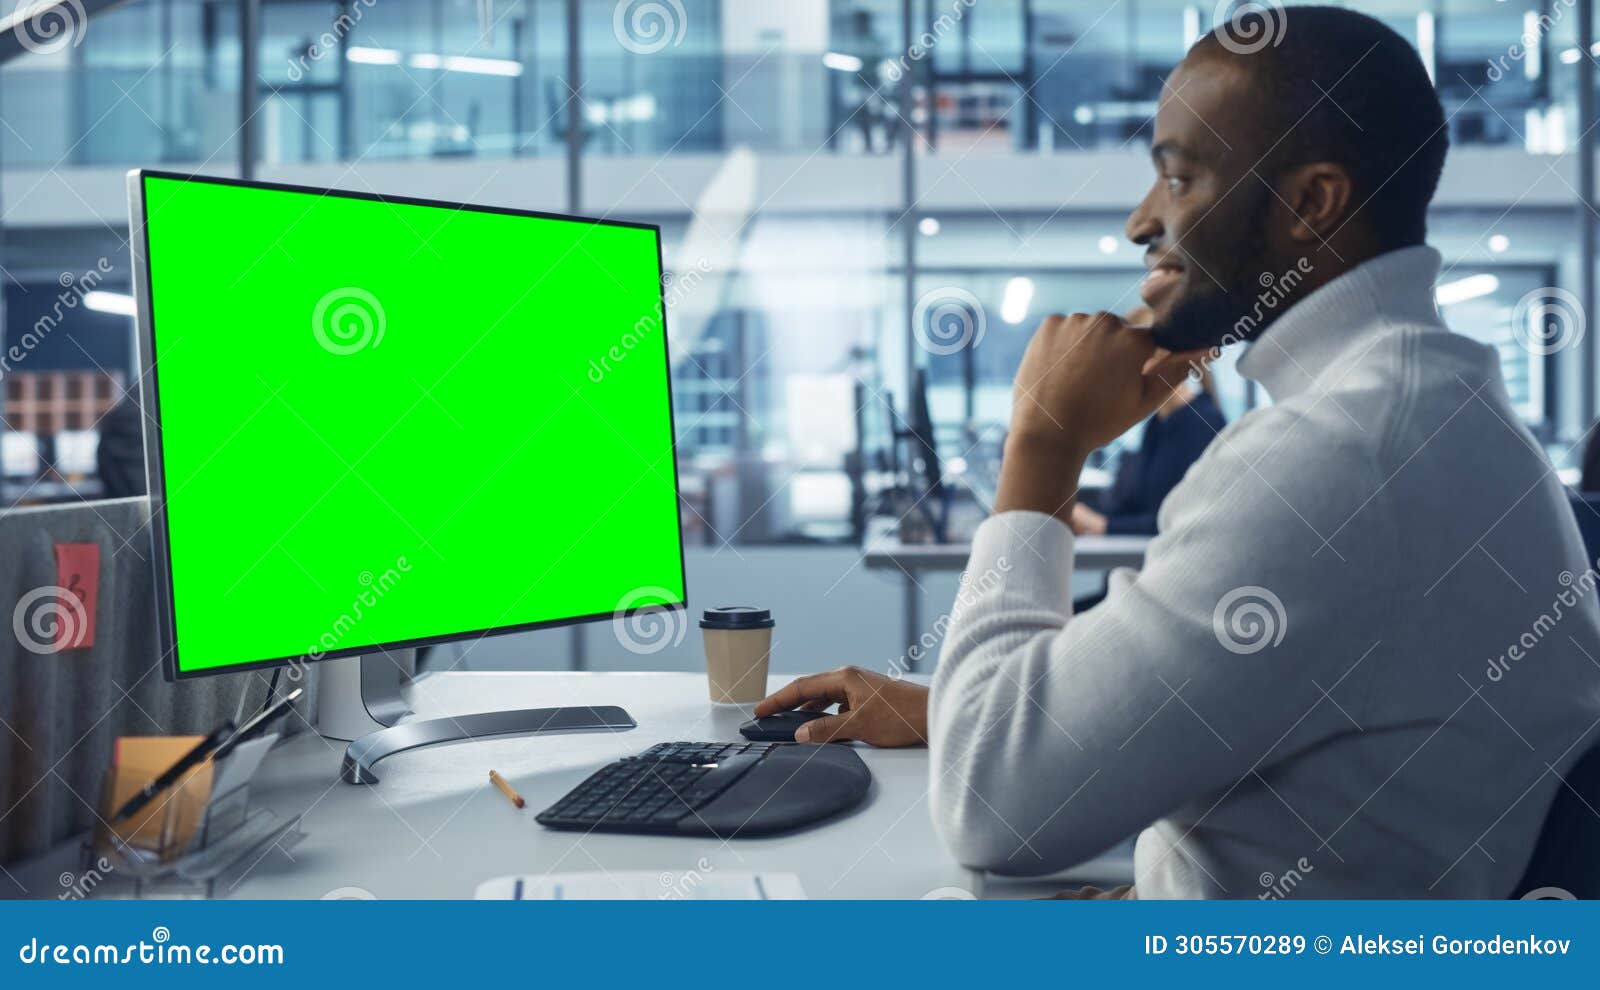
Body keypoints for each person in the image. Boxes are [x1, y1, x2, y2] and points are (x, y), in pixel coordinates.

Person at [757, 6, 1600, 898]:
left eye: (1179, 179)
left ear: (1311, 204)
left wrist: (1042, 444)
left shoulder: (1335, 457)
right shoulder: (1433, 406)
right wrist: (956, 715)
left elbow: (992, 811)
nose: (1141, 222)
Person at [1071, 362, 1225, 538]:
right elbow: (1140, 506)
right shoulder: (1157, 423)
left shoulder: (1204, 423)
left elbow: (1179, 520)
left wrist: (1102, 525)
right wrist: (1086, 516)